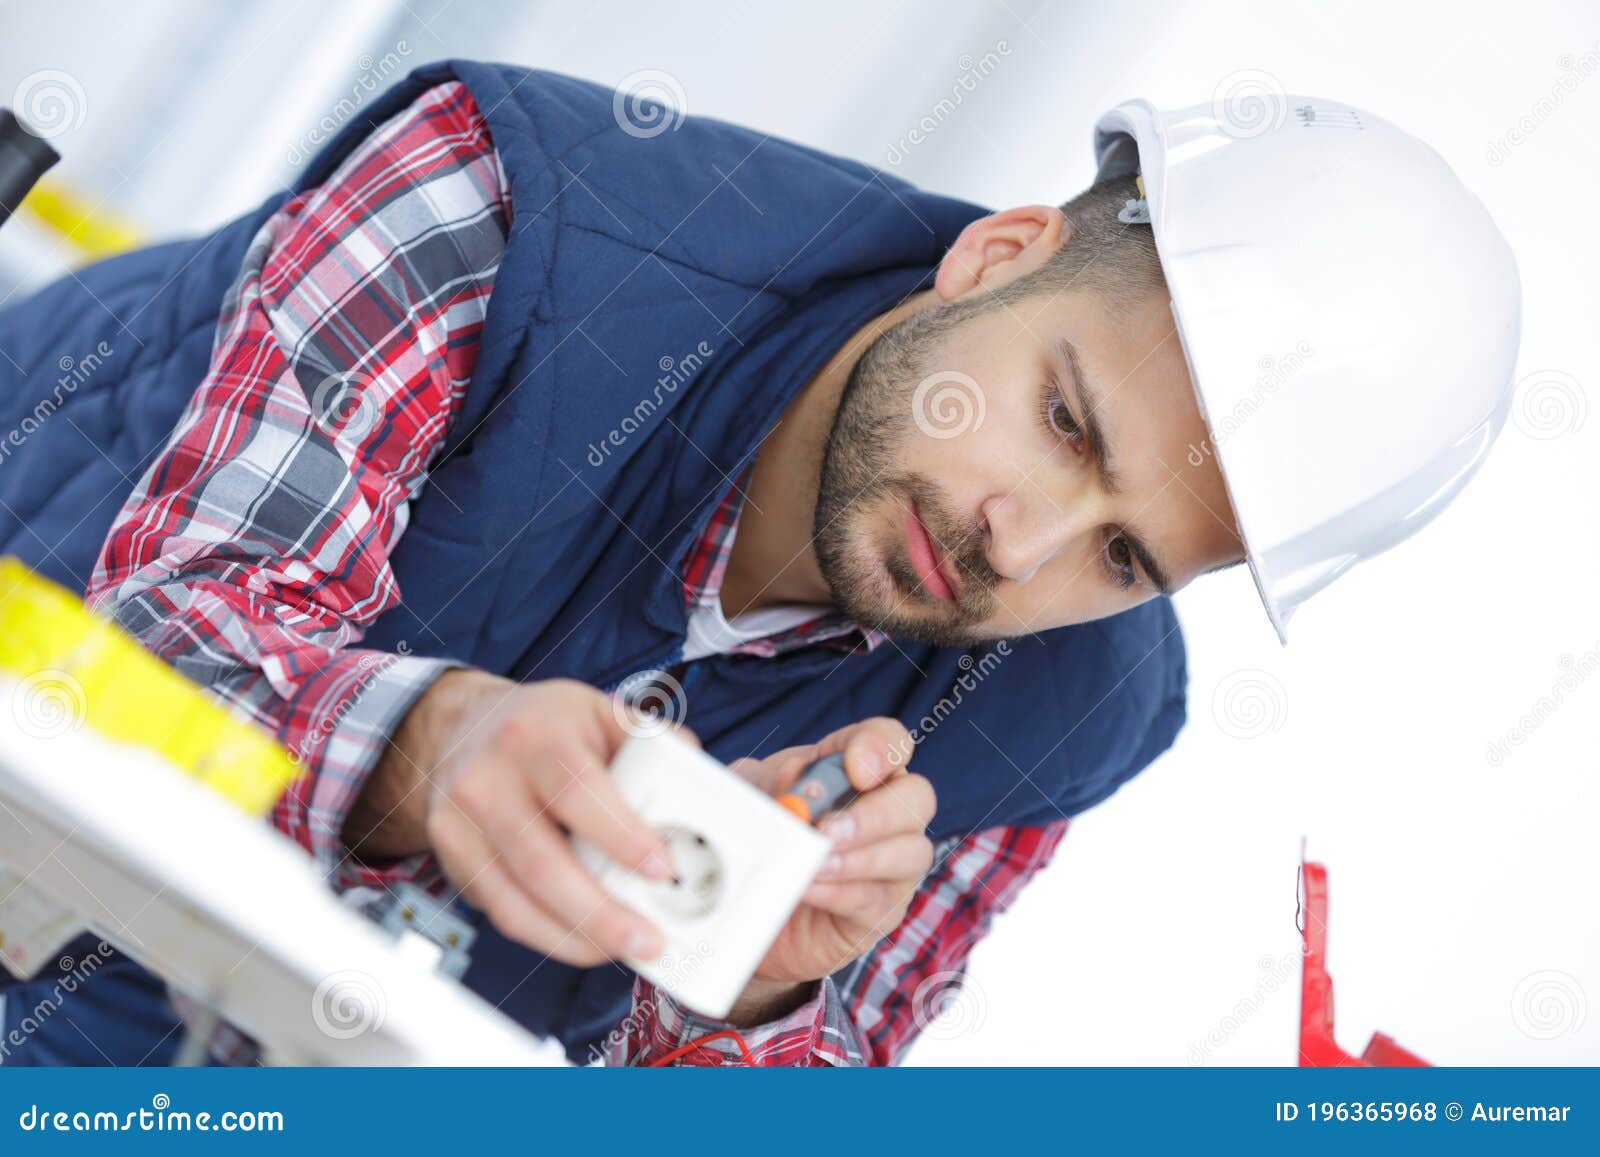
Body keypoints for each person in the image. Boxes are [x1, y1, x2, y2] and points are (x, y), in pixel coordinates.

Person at [0, 61, 1516, 1066]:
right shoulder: (502, 202)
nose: (1024, 544)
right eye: (1064, 422)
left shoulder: (1067, 711)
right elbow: (159, 639)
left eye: (1126, 552)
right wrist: (428, 745)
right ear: (999, 252)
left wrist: (756, 997)